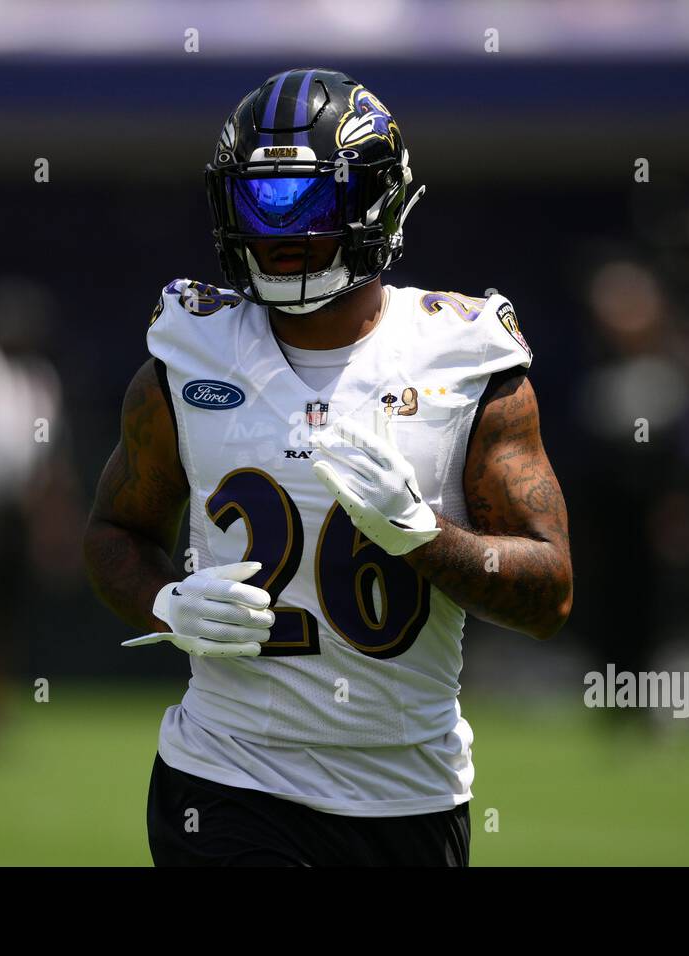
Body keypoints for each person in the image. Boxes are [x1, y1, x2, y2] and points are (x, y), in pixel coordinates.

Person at [84, 68, 573, 866]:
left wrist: (423, 537)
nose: (278, 231)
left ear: (374, 202)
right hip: (223, 776)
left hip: (408, 793)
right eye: (256, 201)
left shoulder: (465, 358)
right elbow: (114, 531)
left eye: (308, 201)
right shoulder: (188, 355)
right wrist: (165, 600)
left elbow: (550, 593)